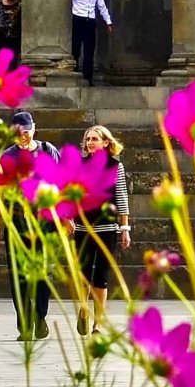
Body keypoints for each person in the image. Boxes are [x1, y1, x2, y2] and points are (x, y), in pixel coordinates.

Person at [0, 109, 52, 341]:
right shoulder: (7, 157)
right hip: (16, 221)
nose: (24, 136)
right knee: (17, 274)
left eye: (27, 131)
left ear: (34, 129)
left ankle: (40, 315)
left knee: (41, 271)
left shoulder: (47, 151)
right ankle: (24, 324)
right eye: (19, 132)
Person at [74, 125, 131, 335]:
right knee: (83, 274)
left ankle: (98, 322)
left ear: (106, 143)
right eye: (88, 139)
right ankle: (83, 309)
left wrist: (125, 227)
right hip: (83, 227)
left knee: (101, 276)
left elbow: (122, 196)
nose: (90, 143)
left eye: (94, 139)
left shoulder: (116, 166)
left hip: (107, 227)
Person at [70, 0, 113, 87]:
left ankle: (88, 78)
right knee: (76, 49)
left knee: (89, 51)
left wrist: (108, 22)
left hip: (90, 22)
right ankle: (73, 75)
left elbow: (102, 8)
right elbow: (69, 2)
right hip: (79, 20)